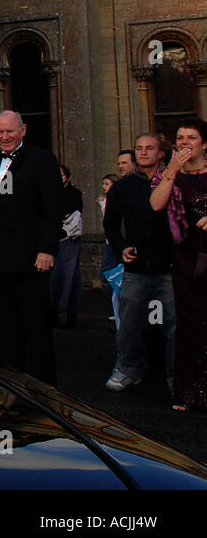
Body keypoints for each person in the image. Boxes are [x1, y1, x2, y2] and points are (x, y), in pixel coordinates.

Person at [0, 110, 62, 383]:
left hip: (31, 259)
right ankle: (11, 385)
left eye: (10, 131)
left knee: (35, 326)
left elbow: (52, 208)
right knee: (4, 326)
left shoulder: (43, 160)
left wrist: (47, 249)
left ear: (23, 130)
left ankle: (42, 389)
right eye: (0, 131)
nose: (5, 136)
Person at [104, 134, 175, 392]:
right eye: (139, 149)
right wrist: (120, 248)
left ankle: (174, 376)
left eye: (150, 148)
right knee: (130, 325)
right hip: (136, 267)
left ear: (161, 153)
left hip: (170, 267)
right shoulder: (122, 187)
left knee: (173, 326)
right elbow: (110, 223)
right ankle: (129, 368)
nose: (143, 153)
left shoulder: (174, 181)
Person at [149, 118, 207, 412]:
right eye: (180, 138)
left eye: (192, 137)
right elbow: (156, 204)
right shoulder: (171, 175)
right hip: (187, 259)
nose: (185, 142)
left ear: (204, 144)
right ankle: (188, 393)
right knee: (189, 325)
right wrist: (171, 170)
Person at [50, 164, 85, 328]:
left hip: (70, 238)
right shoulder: (49, 192)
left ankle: (71, 313)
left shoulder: (74, 193)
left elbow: (75, 211)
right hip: (55, 237)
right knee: (54, 276)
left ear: (68, 177)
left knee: (70, 274)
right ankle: (54, 312)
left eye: (62, 175)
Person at [99, 172, 121, 331]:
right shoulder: (106, 200)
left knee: (110, 274)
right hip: (110, 243)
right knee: (108, 275)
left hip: (116, 245)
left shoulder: (115, 200)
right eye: (104, 184)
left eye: (107, 184)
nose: (104, 187)